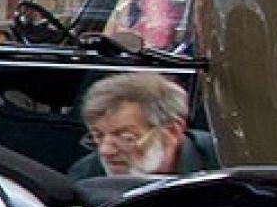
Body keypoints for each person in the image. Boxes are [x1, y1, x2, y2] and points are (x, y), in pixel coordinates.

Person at [71, 72, 222, 179]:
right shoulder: (87, 175)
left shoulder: (224, 162)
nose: (105, 151)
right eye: (98, 137)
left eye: (126, 137)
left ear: (172, 131)